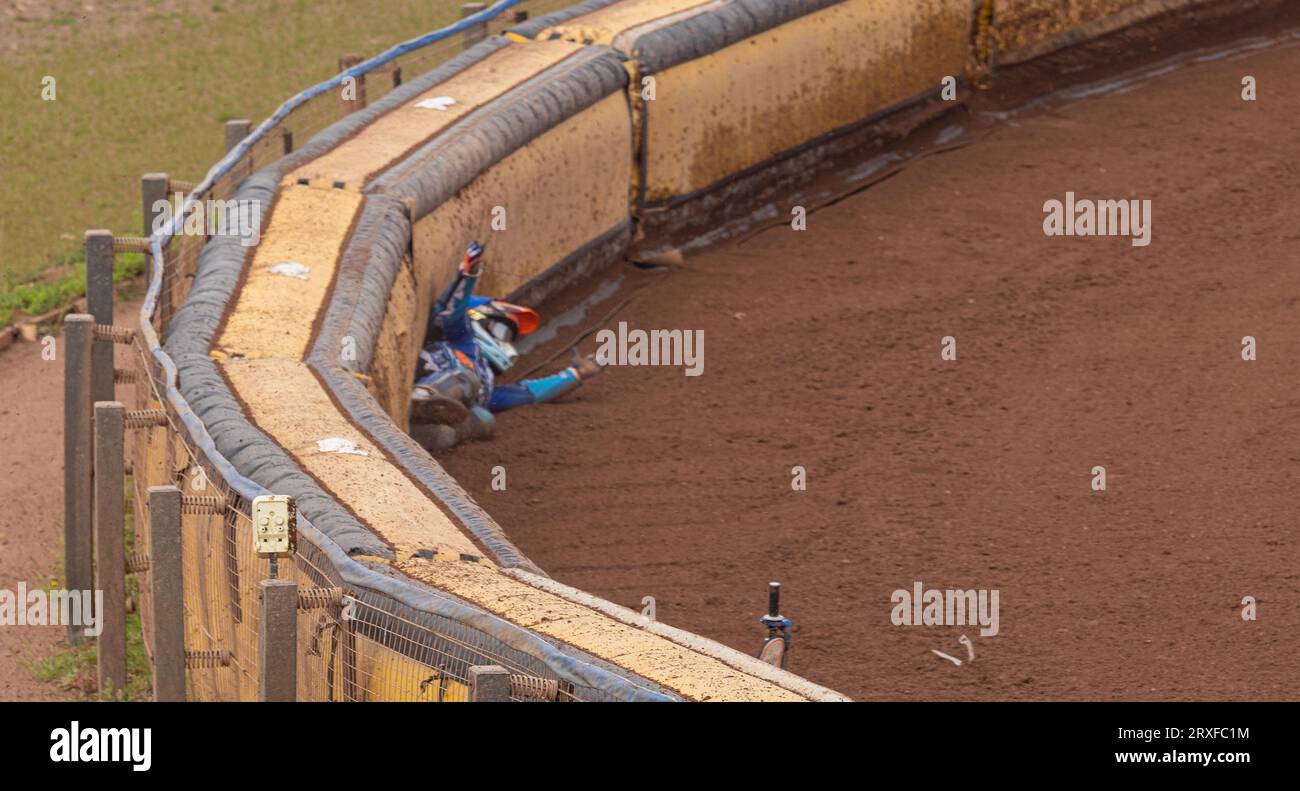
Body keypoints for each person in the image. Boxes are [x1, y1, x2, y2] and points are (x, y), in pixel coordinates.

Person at [409, 240, 603, 450]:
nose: (505, 341)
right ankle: (424, 396)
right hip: (432, 379)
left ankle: (428, 436)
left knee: (485, 419)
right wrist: (467, 275)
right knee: (467, 378)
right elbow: (449, 312)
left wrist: (575, 375)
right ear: (479, 318)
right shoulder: (461, 336)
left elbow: (527, 393)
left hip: (454, 401)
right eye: (504, 330)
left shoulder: (488, 383)